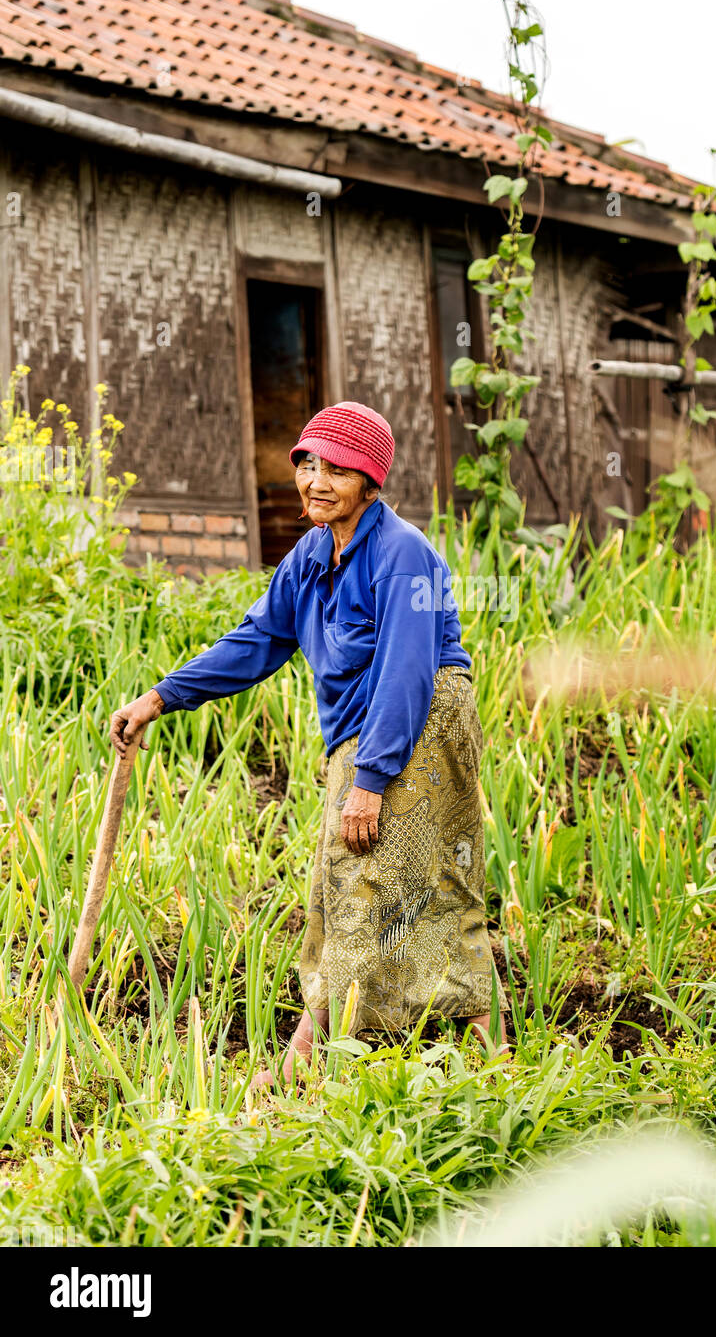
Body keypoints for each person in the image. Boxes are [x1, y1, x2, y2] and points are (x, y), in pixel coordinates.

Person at [110, 401, 508, 1087]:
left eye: (338, 469)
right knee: (362, 883)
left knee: (379, 880)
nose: (317, 481)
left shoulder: (402, 552)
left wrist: (370, 783)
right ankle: (479, 1045)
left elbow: (407, 674)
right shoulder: (310, 555)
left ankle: (308, 1061)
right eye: (308, 465)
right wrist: (160, 696)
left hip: (421, 725)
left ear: (370, 482)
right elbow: (258, 640)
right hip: (365, 729)